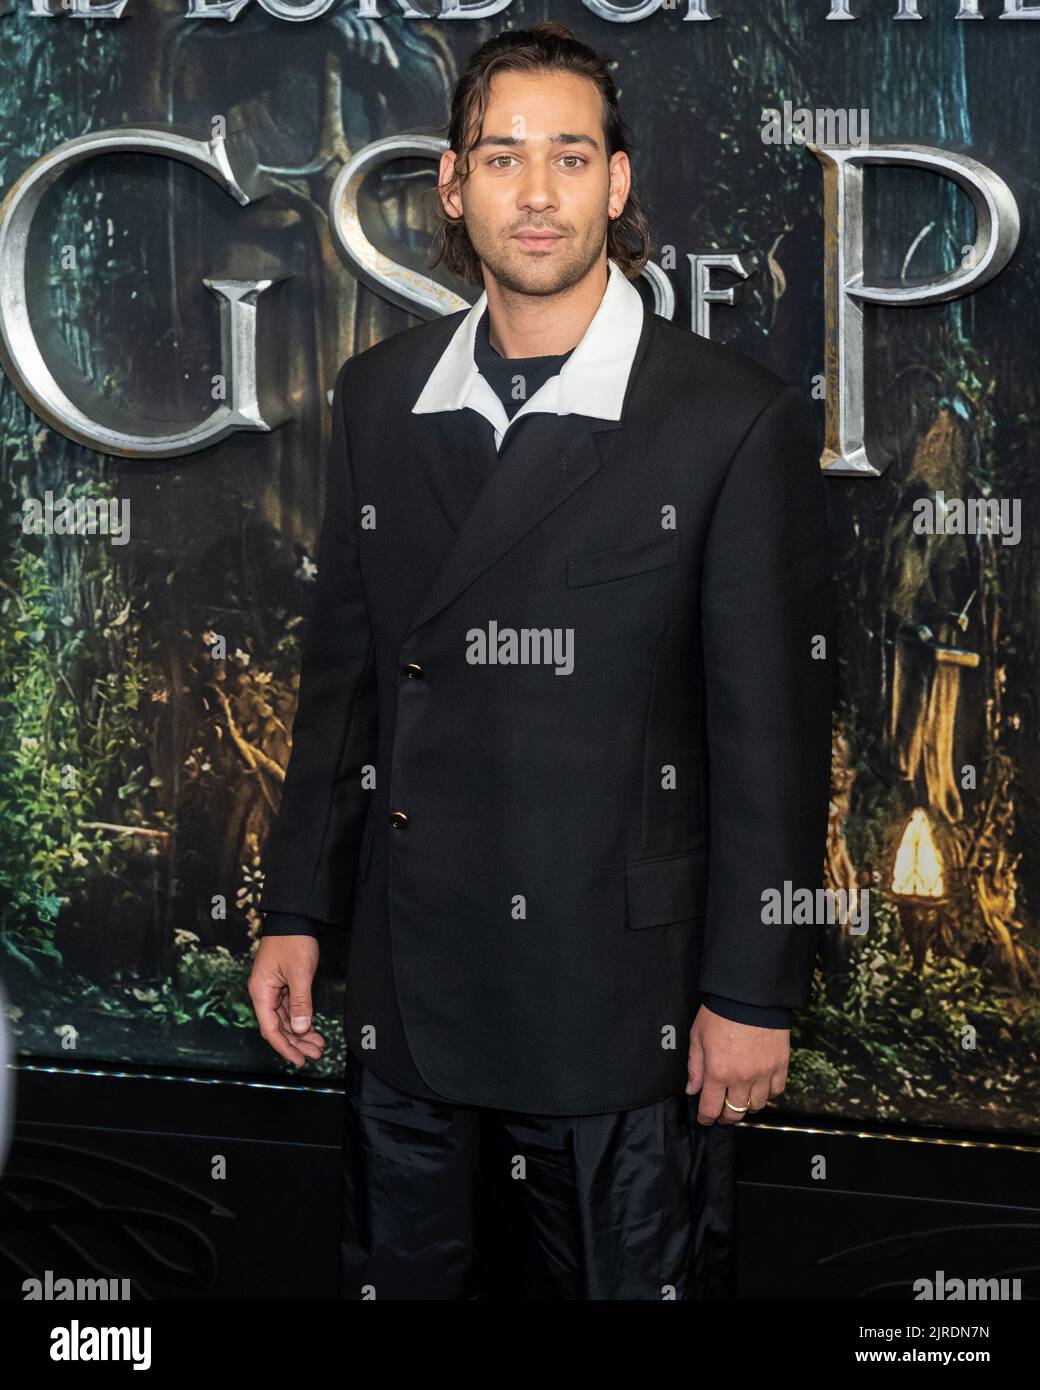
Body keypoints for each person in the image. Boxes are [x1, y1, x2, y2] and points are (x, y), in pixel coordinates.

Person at [248, 20, 835, 1300]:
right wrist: (298, 907)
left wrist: (752, 990)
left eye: (569, 156)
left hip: (623, 1014)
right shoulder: (377, 397)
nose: (535, 190)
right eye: (501, 156)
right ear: (453, 189)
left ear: (615, 186)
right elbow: (341, 682)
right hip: (415, 996)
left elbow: (769, 743)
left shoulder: (726, 420)